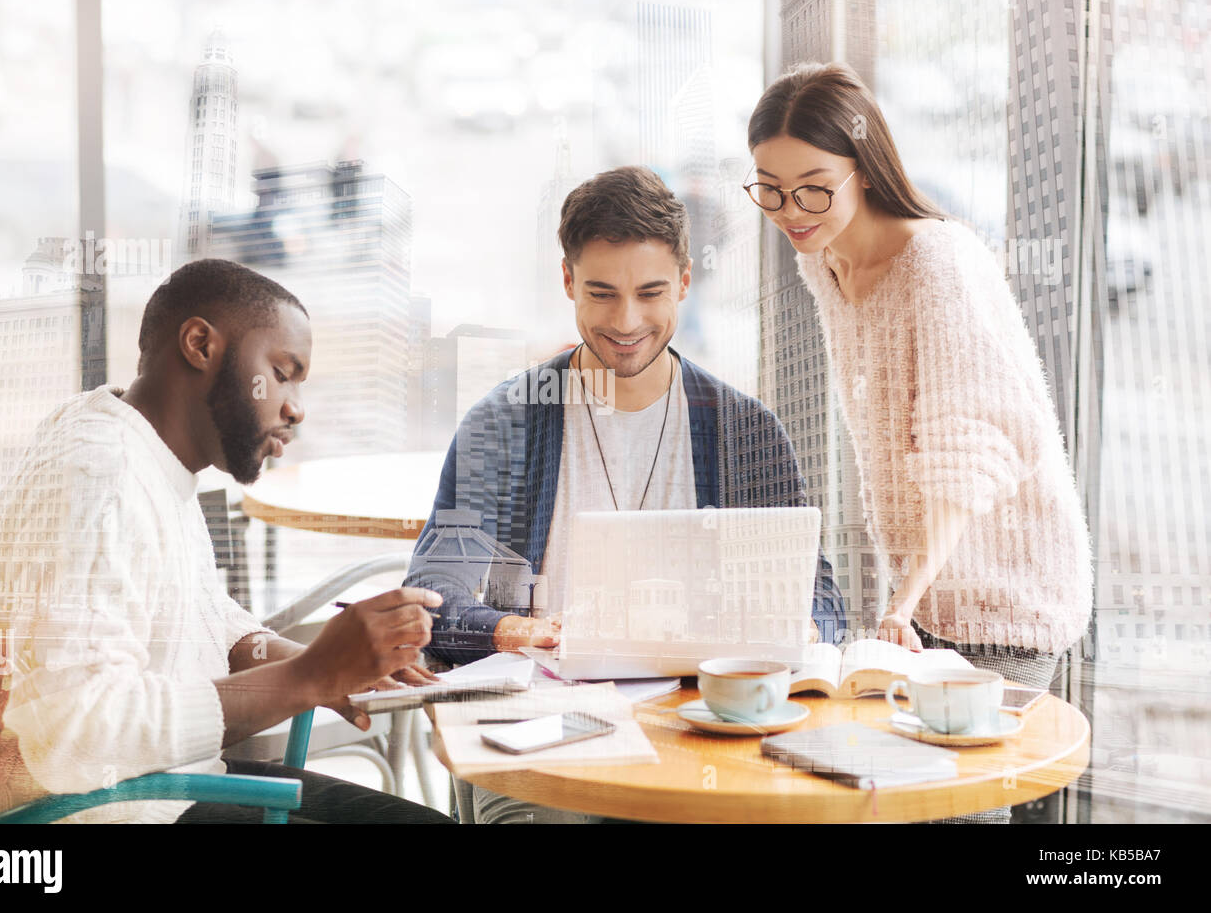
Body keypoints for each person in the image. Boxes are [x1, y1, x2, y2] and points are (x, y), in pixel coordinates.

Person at [0, 258, 450, 824]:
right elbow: (73, 733)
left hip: (159, 785)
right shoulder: (101, 474)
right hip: (82, 811)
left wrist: (326, 665)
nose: (296, 408)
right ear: (200, 344)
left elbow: (200, 613)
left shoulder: (144, 450)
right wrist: (308, 678)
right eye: (282, 372)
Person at [405, 166, 845, 822]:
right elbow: (434, 598)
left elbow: (823, 605)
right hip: (543, 729)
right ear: (567, 282)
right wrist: (519, 627)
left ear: (686, 283)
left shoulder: (744, 430)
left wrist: (791, 626)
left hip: (703, 728)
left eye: (651, 292)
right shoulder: (506, 423)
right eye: (602, 293)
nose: (627, 320)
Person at [746, 63, 1092, 819]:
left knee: (958, 807)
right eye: (768, 187)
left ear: (863, 171)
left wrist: (901, 601)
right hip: (925, 595)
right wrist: (903, 602)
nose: (789, 210)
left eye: (812, 186)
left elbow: (963, 453)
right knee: (890, 797)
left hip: (1007, 594)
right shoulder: (823, 260)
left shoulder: (938, 260)